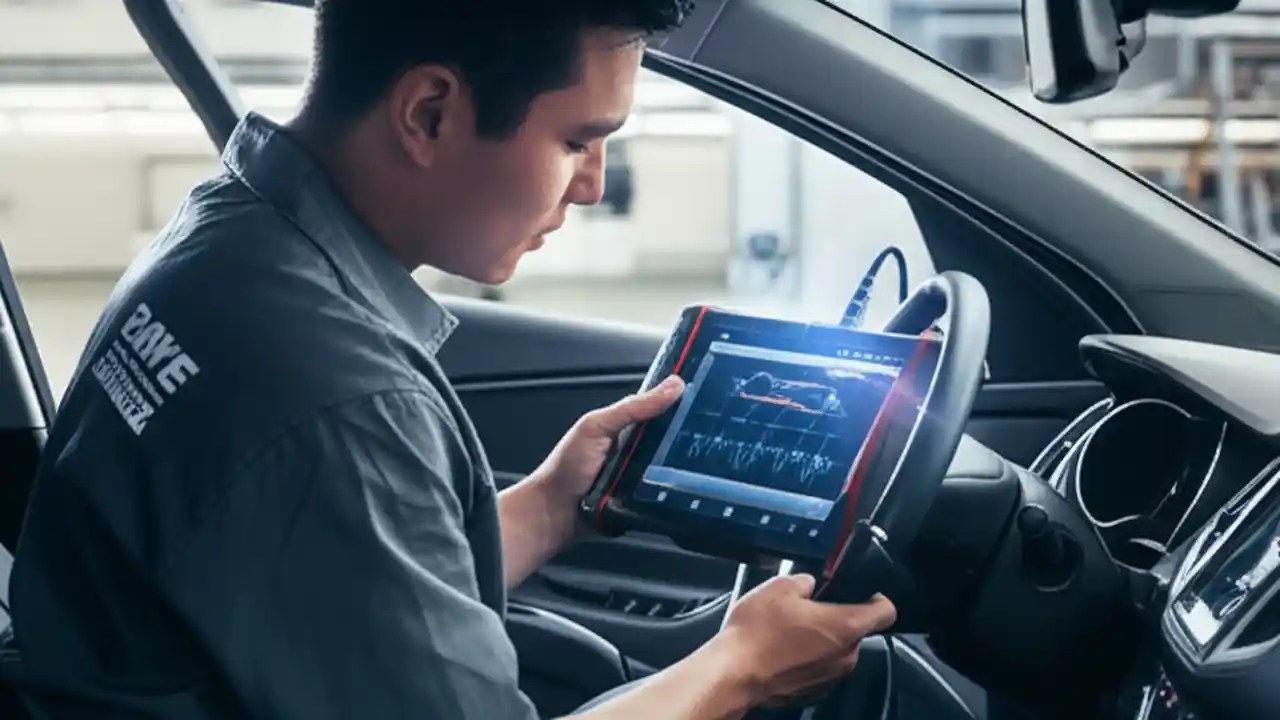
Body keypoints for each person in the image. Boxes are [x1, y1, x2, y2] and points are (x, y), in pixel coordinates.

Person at [5, 1, 897, 718]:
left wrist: (552, 507)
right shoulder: (340, 401)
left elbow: (337, 584)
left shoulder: (226, 241)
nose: (590, 184)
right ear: (429, 112)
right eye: (577, 141)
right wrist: (738, 671)